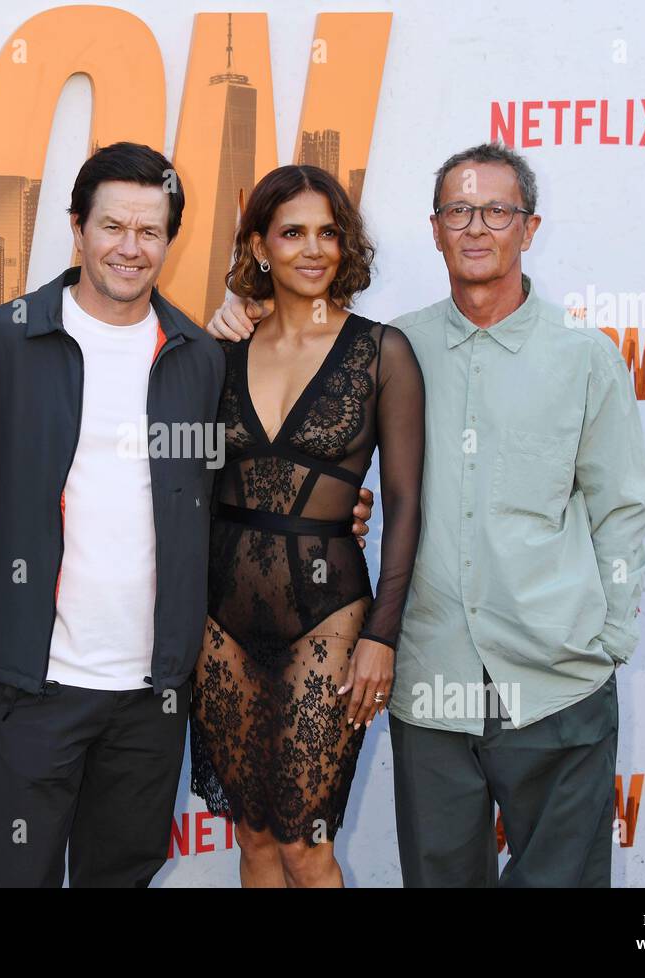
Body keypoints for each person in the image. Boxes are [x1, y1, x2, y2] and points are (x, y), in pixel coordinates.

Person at [207, 142, 645, 887]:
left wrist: (605, 640)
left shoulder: (584, 356)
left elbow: (622, 510)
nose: (476, 228)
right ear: (436, 228)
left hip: (556, 679)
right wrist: (239, 308)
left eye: (497, 211)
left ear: (530, 227)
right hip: (432, 681)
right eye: (457, 211)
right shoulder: (394, 344)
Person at [0, 144, 375, 887]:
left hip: (156, 689)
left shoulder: (200, 356)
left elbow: (246, 479)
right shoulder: (5, 338)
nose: (130, 247)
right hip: (34, 678)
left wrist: (342, 508)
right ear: (77, 226)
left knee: (121, 874)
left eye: (150, 232)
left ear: (170, 241)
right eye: (113, 226)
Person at [189, 164, 424, 888]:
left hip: (328, 614)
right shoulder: (221, 352)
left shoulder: (382, 352)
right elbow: (186, 478)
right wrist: (207, 334)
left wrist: (382, 637)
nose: (313, 248)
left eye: (328, 232)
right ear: (260, 246)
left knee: (305, 847)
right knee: (256, 840)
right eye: (292, 232)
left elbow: (409, 504)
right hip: (219, 617)